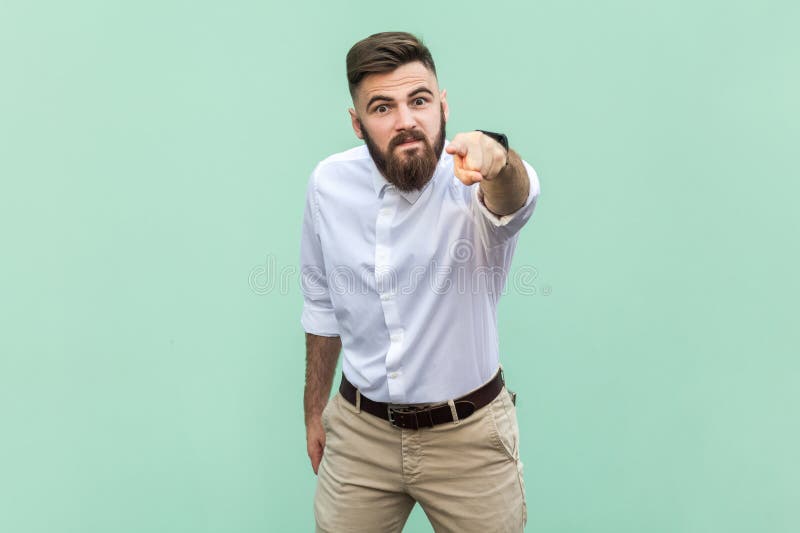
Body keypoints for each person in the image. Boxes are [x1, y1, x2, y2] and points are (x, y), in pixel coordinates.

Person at [300, 31, 541, 532]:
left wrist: (498, 157)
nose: (406, 120)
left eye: (419, 100)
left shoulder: (472, 180)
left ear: (443, 104)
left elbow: (514, 198)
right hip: (360, 433)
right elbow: (322, 304)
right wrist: (313, 410)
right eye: (382, 107)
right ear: (357, 122)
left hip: (468, 439)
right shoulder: (328, 184)